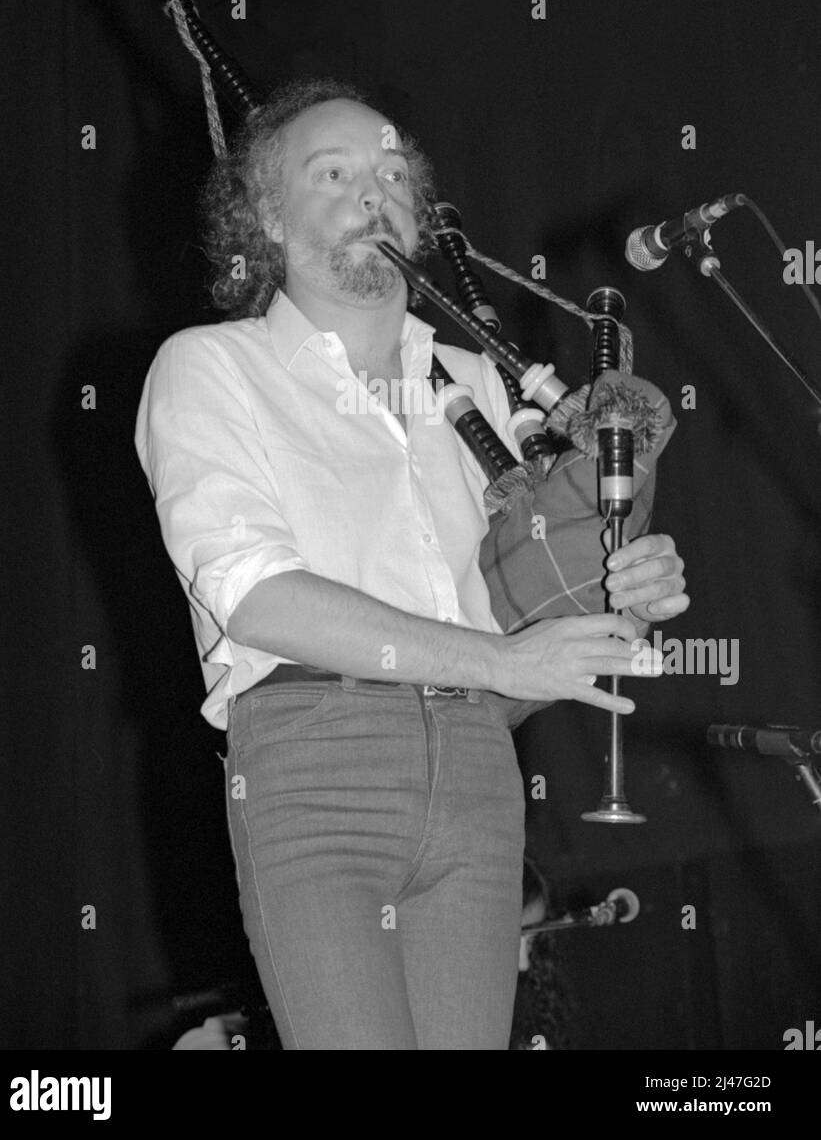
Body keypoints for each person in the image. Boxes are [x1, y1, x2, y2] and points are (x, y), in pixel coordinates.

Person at [134, 78, 689, 1050]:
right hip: (315, 765)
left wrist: (624, 593)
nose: (371, 190)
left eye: (391, 171)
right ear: (267, 214)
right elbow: (256, 596)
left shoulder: (478, 381)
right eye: (334, 171)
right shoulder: (213, 366)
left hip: (478, 767)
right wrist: (499, 662)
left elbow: (534, 583)